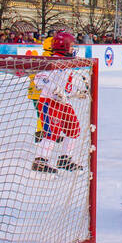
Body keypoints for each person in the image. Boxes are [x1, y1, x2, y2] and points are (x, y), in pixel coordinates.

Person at [29, 31, 87, 174]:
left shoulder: (68, 63)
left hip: (63, 102)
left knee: (73, 129)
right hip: (49, 101)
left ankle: (64, 159)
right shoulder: (52, 61)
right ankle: (40, 161)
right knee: (52, 132)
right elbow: (39, 79)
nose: (73, 49)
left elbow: (65, 86)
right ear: (64, 46)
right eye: (71, 46)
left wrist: (75, 92)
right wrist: (55, 90)